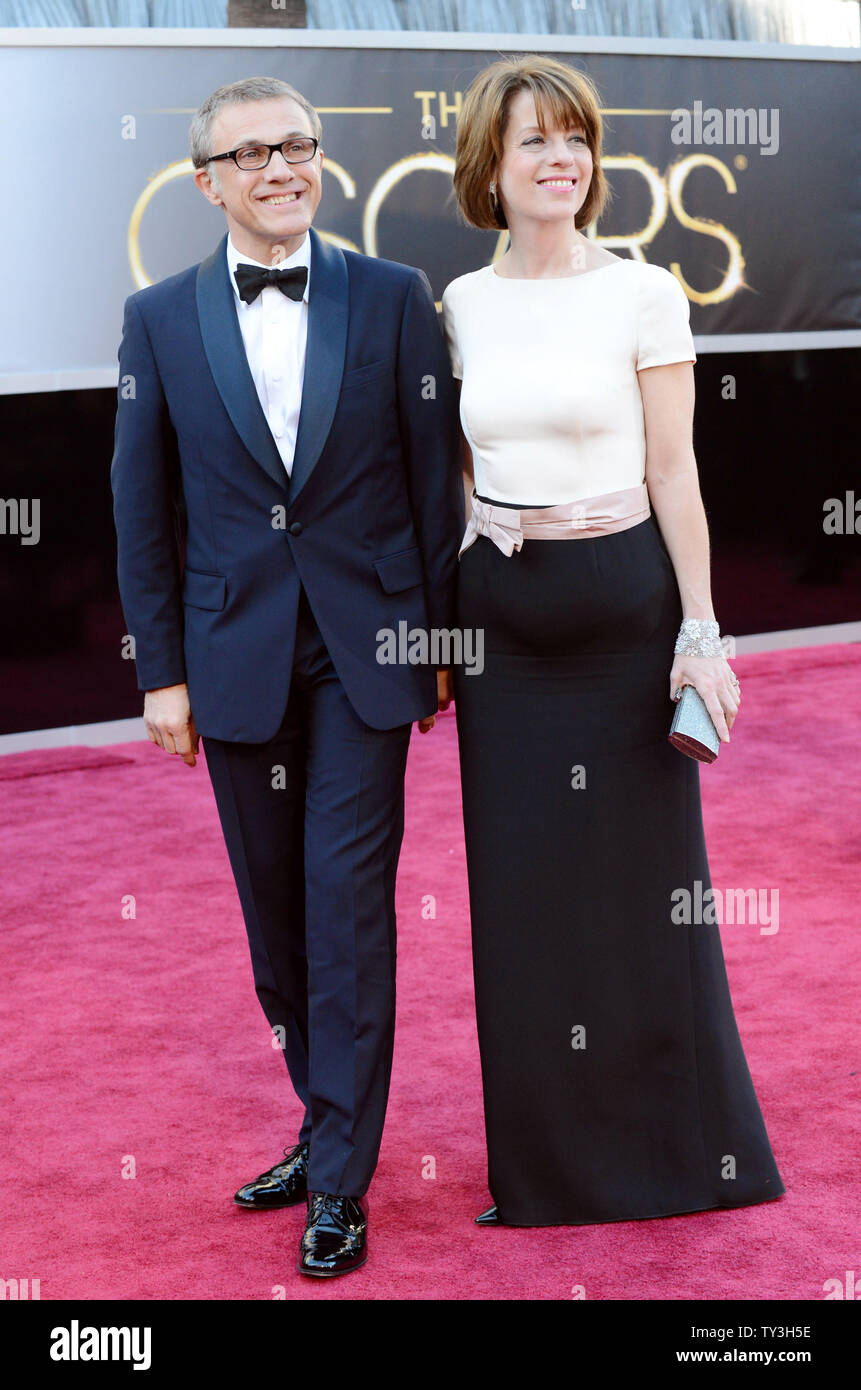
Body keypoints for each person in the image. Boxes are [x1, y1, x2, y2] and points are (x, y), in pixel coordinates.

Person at [111, 76, 462, 1276]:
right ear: (205, 180)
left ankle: (342, 1180)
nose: (280, 168)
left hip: (368, 657)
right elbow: (140, 509)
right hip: (234, 658)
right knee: (279, 925)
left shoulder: (394, 297)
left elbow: (431, 491)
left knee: (348, 909)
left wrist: (439, 647)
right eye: (251, 153)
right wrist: (162, 671)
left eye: (298, 146)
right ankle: (327, 1128)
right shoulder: (157, 318)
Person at [440, 56, 785, 1227]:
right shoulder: (460, 305)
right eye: (533, 138)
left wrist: (702, 630)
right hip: (502, 625)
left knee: (650, 894)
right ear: (489, 160)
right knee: (523, 897)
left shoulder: (643, 291)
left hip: (622, 609)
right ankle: (544, 1175)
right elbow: (457, 470)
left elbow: (675, 467)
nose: (560, 157)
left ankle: (683, 1158)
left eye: (575, 137)